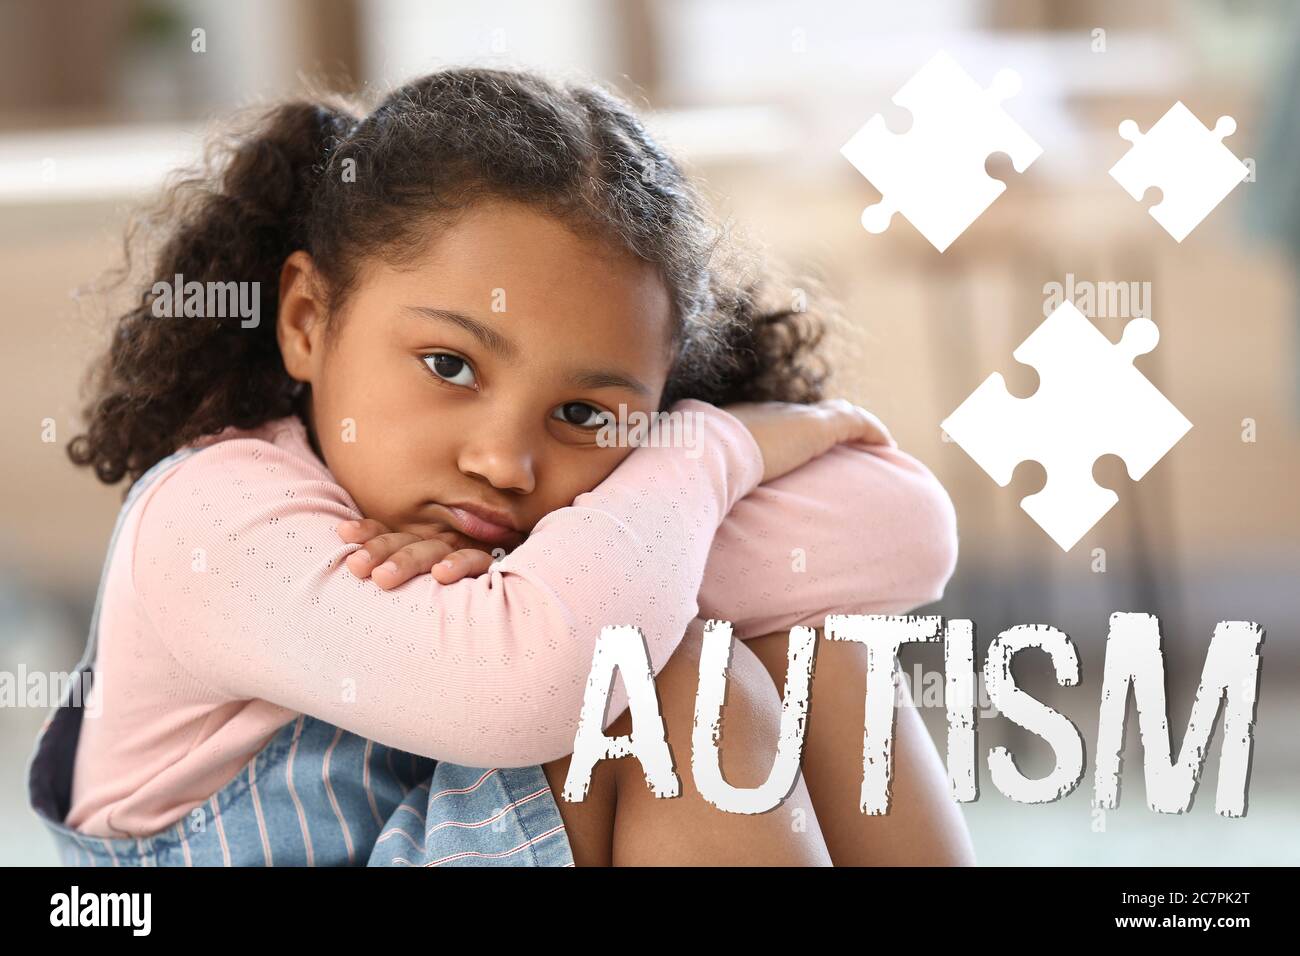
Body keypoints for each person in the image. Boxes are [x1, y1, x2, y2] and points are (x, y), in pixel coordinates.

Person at [28, 67, 972, 866]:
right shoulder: (212, 519)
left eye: (581, 413)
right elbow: (522, 679)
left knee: (814, 651)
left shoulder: (601, 523)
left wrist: (593, 555)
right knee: (665, 677)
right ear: (308, 321)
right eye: (449, 366)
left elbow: (906, 529)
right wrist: (714, 458)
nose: (505, 462)